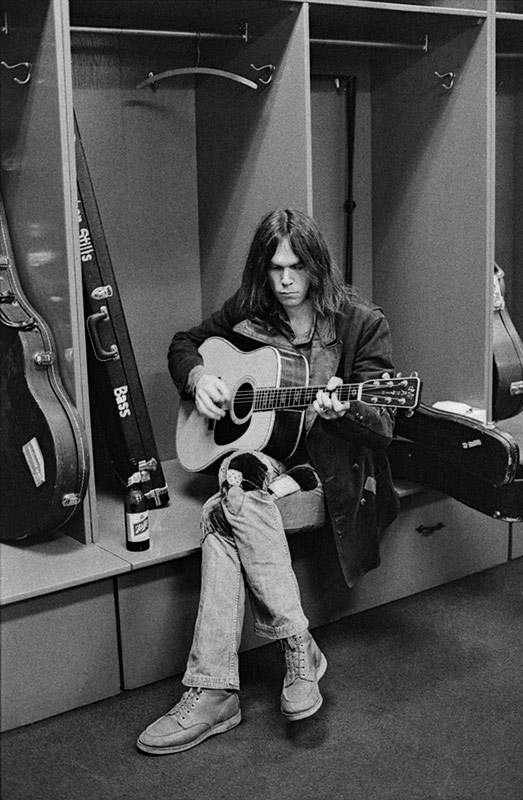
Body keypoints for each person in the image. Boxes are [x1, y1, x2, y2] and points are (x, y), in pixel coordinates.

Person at [136, 209, 399, 755]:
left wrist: (344, 411)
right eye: (275, 268)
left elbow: (383, 427)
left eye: (296, 268)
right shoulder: (253, 306)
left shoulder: (360, 322)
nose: (285, 281)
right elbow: (185, 342)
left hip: (328, 475)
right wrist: (199, 377)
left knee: (222, 512)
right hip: (265, 464)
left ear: (316, 266)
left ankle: (213, 692)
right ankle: (299, 647)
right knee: (237, 480)